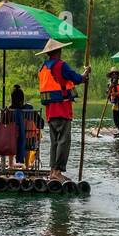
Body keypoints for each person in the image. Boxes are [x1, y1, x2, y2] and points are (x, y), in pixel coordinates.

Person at [36, 38, 89, 182]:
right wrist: (86, 73)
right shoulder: (61, 65)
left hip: (50, 112)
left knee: (55, 142)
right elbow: (77, 79)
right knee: (64, 141)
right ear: (58, 51)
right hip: (62, 109)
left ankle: (53, 171)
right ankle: (58, 172)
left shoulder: (42, 68)